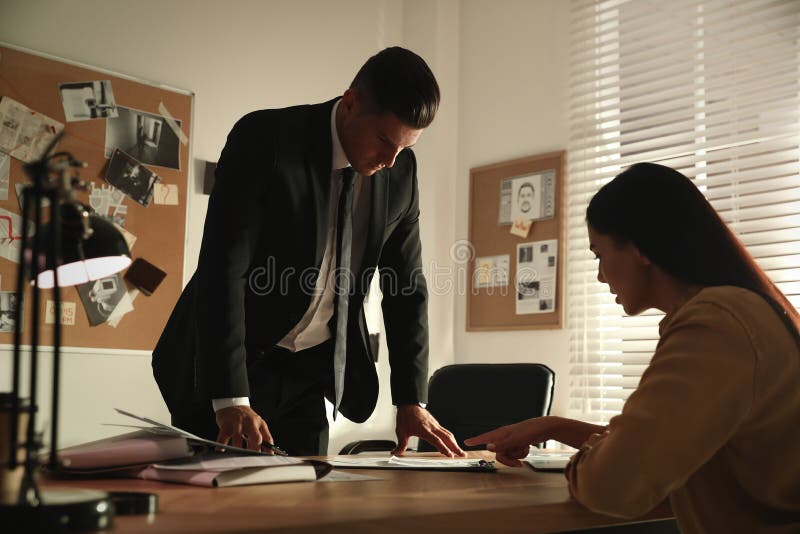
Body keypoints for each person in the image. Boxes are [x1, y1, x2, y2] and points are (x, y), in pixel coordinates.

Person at [152, 47, 464, 458]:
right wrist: (230, 399)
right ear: (350, 103)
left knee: (310, 492)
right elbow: (223, 269)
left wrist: (411, 401)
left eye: (404, 148)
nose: (390, 161)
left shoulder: (402, 173)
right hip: (232, 366)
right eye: (384, 141)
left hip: (311, 375)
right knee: (215, 493)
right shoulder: (266, 138)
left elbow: (406, 288)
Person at [465, 163, 800, 533]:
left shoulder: (715, 323)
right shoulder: (738, 311)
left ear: (640, 249)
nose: (600, 275)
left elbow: (613, 486)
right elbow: (666, 442)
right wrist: (555, 426)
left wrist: (589, 458)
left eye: (599, 254)